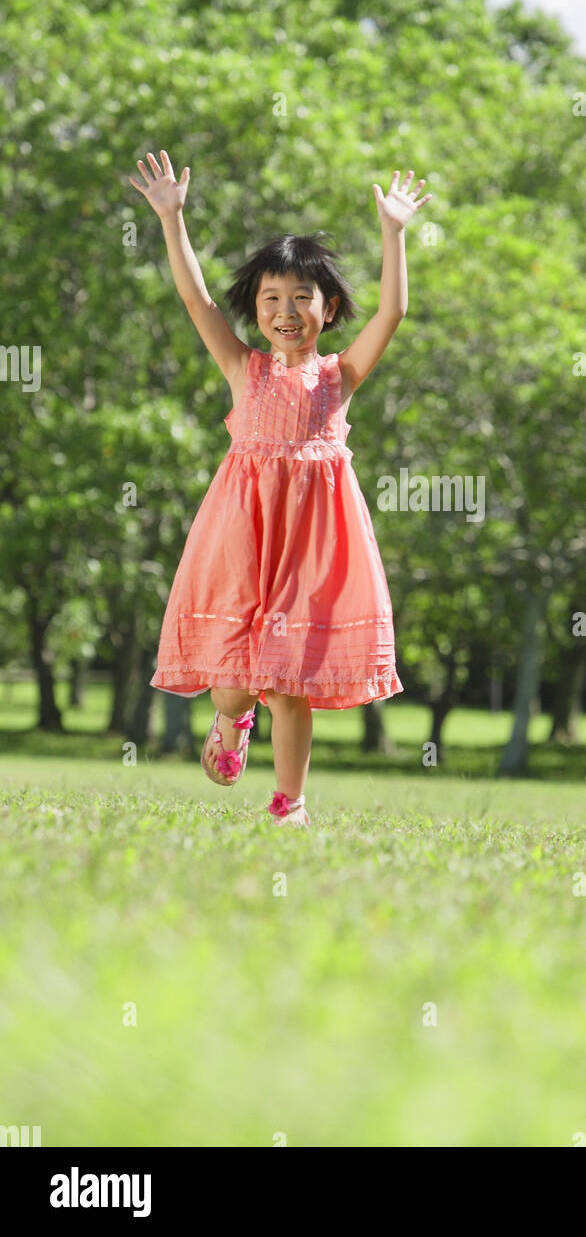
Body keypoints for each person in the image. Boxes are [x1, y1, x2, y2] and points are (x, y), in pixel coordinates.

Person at [129, 149, 431, 827]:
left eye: (302, 298)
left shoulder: (339, 377)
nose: (286, 310)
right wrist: (171, 219)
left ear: (327, 310)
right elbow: (194, 298)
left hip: (315, 545)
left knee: (292, 679)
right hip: (243, 534)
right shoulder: (244, 369)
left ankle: (288, 803)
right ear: (256, 309)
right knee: (235, 683)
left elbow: (394, 312)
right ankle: (230, 723)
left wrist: (393, 232)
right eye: (271, 298)